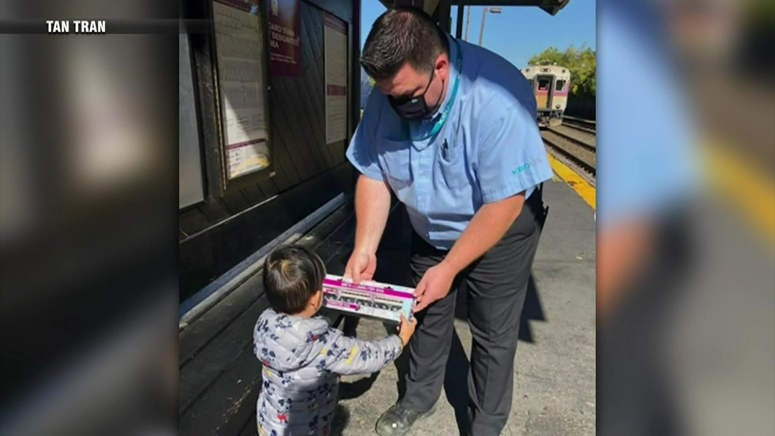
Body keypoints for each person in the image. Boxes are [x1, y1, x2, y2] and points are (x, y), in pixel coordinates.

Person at [344, 7, 553, 436]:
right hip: (429, 226)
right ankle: (418, 398)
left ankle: (485, 423)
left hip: (500, 228)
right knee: (423, 313)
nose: (398, 107)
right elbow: (373, 172)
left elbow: (504, 202)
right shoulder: (390, 96)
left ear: (440, 66)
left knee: (493, 331)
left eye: (408, 97)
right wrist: (365, 248)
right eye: (388, 97)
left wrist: (451, 267)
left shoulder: (498, 99)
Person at [254, 245, 417, 436]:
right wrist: (400, 339)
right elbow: (368, 356)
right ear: (315, 300)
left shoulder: (264, 327)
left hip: (270, 425)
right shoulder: (323, 345)